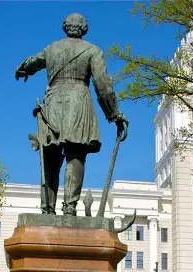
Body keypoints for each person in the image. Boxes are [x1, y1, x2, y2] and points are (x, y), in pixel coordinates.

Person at [15, 13, 128, 215]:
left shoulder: (51, 49)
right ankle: (69, 207)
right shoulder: (93, 51)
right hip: (78, 103)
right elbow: (103, 86)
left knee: (50, 156)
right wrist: (114, 114)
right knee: (75, 154)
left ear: (65, 27)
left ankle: (47, 208)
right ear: (84, 29)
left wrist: (24, 69)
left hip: (53, 104)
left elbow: (33, 62)